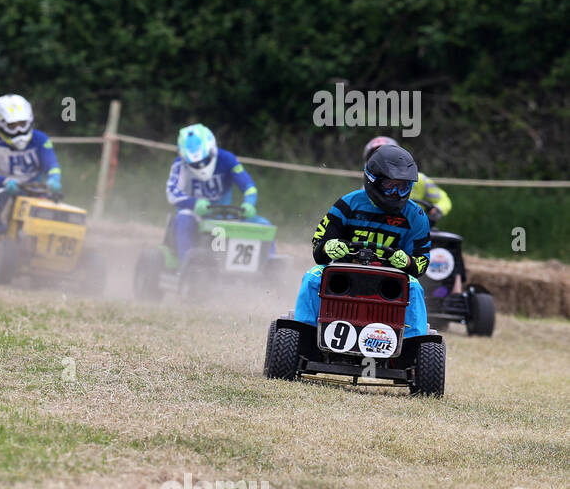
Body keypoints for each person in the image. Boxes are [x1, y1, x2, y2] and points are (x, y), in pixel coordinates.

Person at [295, 143, 431, 338]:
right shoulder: (347, 204)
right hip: (344, 274)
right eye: (390, 185)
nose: (396, 193)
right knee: (312, 278)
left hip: (392, 280)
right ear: (373, 180)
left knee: (415, 287)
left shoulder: (416, 216)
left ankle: (412, 345)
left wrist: (408, 262)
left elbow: (421, 263)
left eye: (402, 187)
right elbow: (319, 248)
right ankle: (304, 336)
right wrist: (328, 247)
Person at [164, 122, 269, 260]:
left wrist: (249, 203)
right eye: (195, 164)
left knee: (264, 227)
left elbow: (248, 186)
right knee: (184, 217)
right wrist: (193, 204)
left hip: (225, 214)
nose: (201, 165)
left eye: (205, 160)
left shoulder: (227, 159)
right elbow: (171, 192)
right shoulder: (179, 164)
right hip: (195, 214)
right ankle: (186, 265)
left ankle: (267, 270)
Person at [0, 94, 62, 234]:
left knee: (56, 207)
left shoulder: (40, 139)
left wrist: (54, 179)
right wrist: (4, 181)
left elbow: (51, 163)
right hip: (0, 190)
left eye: (22, 124)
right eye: (12, 126)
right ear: (0, 125)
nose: (18, 130)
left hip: (34, 190)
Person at [363, 135, 451, 224]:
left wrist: (437, 210)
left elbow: (443, 199)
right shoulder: (369, 185)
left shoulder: (420, 179)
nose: (383, 159)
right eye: (375, 156)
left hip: (417, 224)